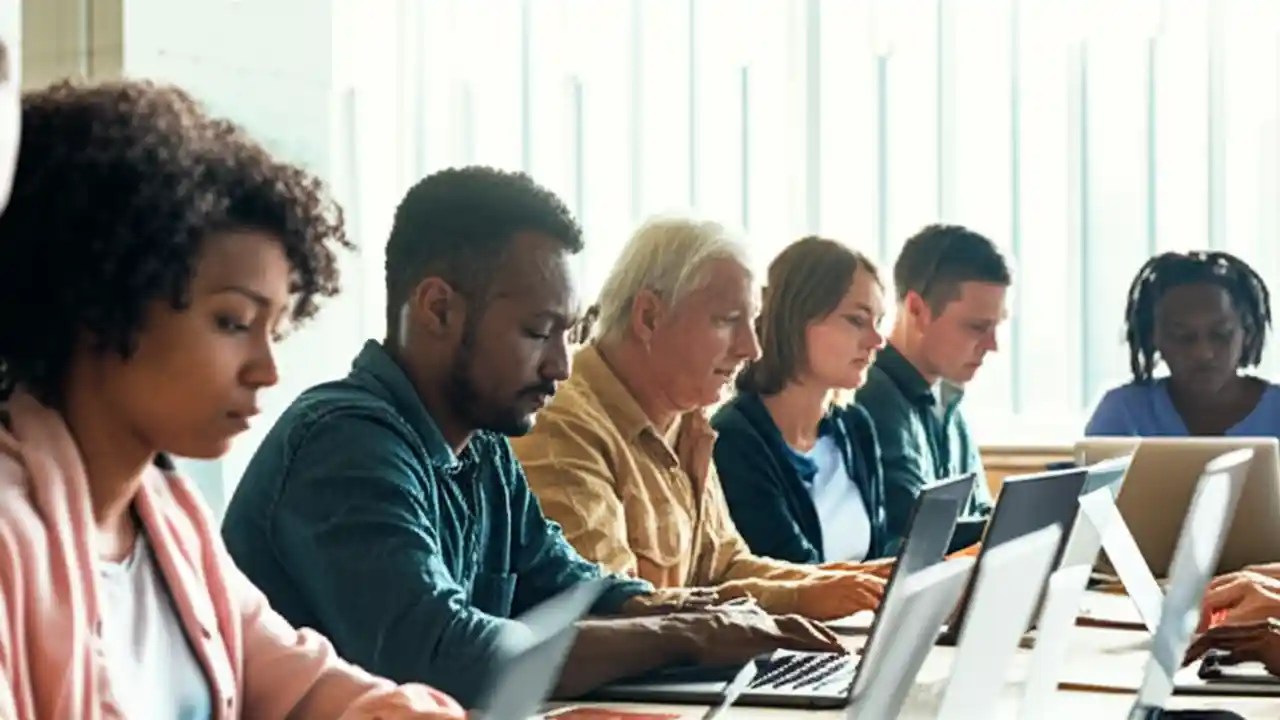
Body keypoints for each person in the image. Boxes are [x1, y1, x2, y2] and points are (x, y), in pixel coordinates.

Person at [221, 168, 847, 708]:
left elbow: (571, 585)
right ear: (438, 309)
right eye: (538, 331)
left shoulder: (482, 447)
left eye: (567, 334)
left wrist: (708, 616)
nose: (561, 366)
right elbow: (444, 652)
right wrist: (686, 635)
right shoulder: (345, 445)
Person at [0, 78, 462, 719]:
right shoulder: (10, 535)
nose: (267, 371)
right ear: (103, 303)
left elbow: (299, 681)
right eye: (232, 322)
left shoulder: (170, 519)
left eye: (275, 329)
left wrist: (395, 709)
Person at [511, 218, 887, 622]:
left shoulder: (686, 418)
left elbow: (726, 566)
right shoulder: (561, 426)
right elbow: (614, 612)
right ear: (649, 317)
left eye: (751, 321)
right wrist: (798, 599)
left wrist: (849, 582)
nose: (752, 349)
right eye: (727, 320)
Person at [711, 237, 896, 564]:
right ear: (796, 319)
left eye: (878, 322)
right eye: (856, 320)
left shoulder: (856, 427)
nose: (877, 340)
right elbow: (789, 570)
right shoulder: (734, 439)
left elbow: (877, 555)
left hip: (863, 600)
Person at [855, 224, 1011, 552]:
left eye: (996, 326)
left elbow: (979, 513)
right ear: (917, 310)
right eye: (977, 327)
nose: (992, 345)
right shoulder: (870, 397)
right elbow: (916, 536)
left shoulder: (948, 398)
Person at [1085, 251, 1279, 437]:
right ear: (1153, 338)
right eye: (1183, 337)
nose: (1203, 353)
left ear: (1248, 333)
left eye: (1220, 335)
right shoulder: (1124, 412)